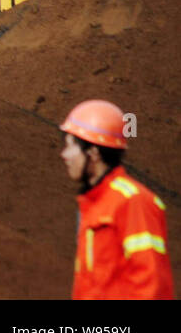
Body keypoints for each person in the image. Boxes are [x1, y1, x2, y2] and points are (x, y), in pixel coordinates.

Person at [59, 99, 173, 299]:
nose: (64, 155)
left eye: (70, 147)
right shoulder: (94, 204)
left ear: (93, 153)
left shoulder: (132, 201)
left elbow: (152, 284)